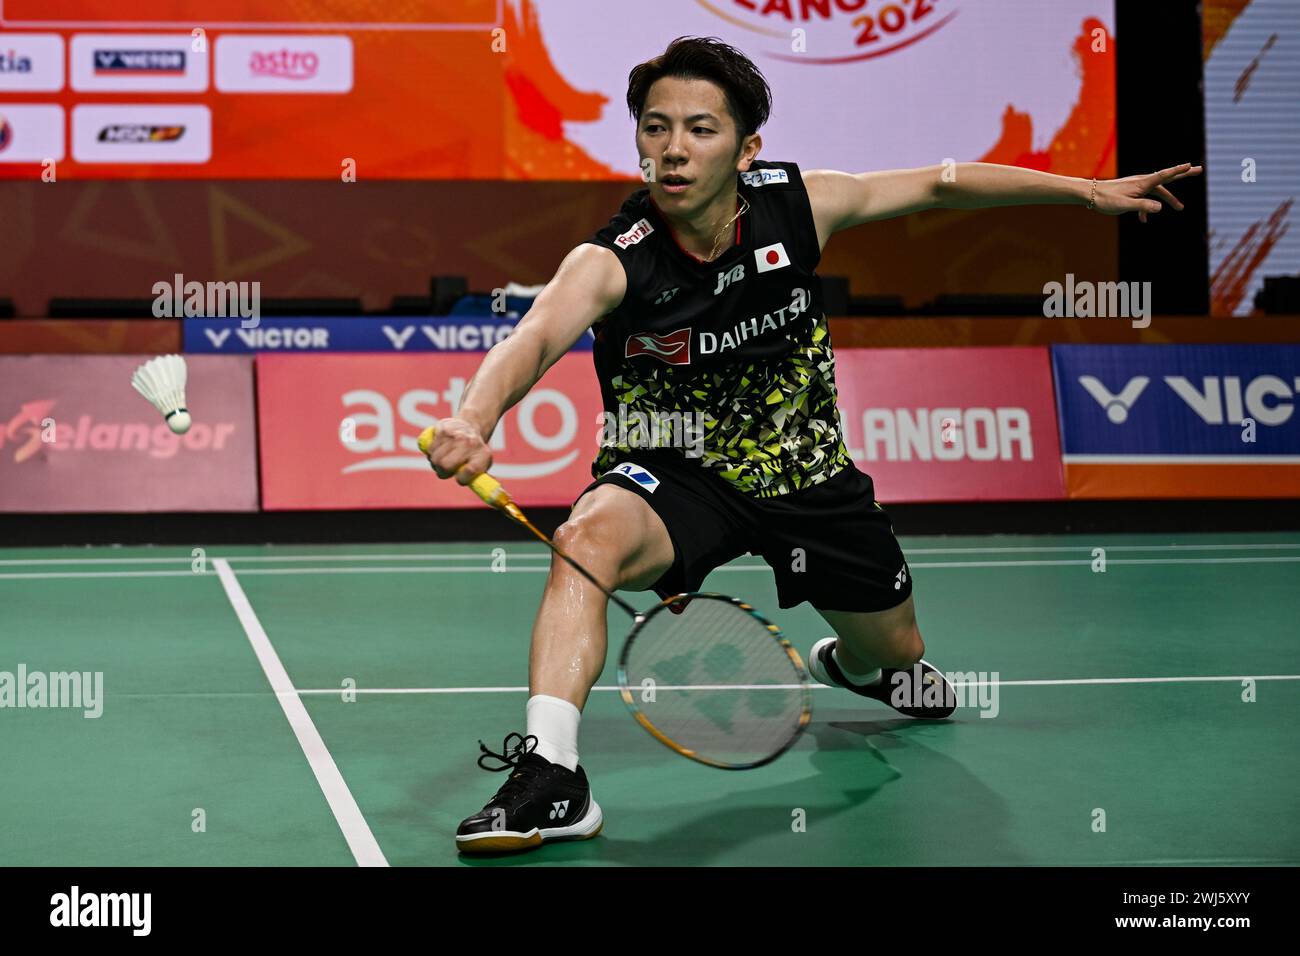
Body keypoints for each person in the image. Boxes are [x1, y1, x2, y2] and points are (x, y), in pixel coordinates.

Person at [422, 36, 1202, 854]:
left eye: (700, 129)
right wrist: (475, 419)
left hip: (809, 478)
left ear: (747, 146)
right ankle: (553, 777)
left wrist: (1084, 191)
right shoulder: (614, 259)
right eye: (655, 128)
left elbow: (941, 183)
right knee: (582, 543)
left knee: (897, 651)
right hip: (674, 472)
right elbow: (533, 338)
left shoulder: (801, 205)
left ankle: (858, 667)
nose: (674, 150)